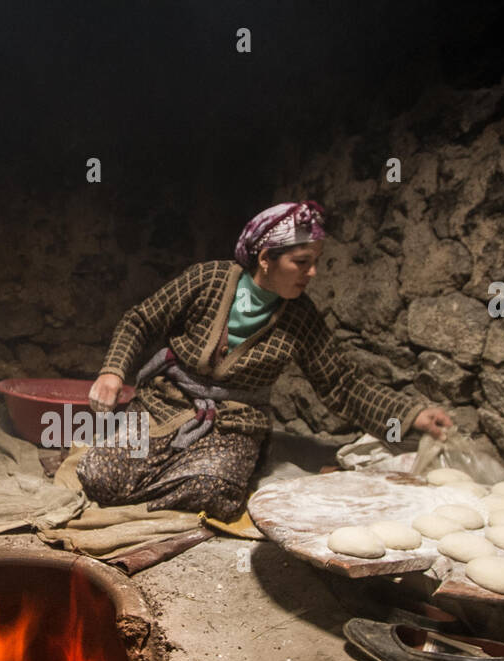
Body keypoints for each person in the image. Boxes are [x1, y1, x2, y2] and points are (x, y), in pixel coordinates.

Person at [76, 199, 453, 522]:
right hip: (165, 404)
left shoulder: (300, 318)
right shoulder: (207, 280)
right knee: (99, 476)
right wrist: (112, 371)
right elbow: (139, 320)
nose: (312, 273)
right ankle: (163, 481)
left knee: (213, 490)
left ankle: (180, 482)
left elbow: (342, 384)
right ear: (266, 258)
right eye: (301, 262)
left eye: (316, 261)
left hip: (233, 424)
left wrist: (411, 415)